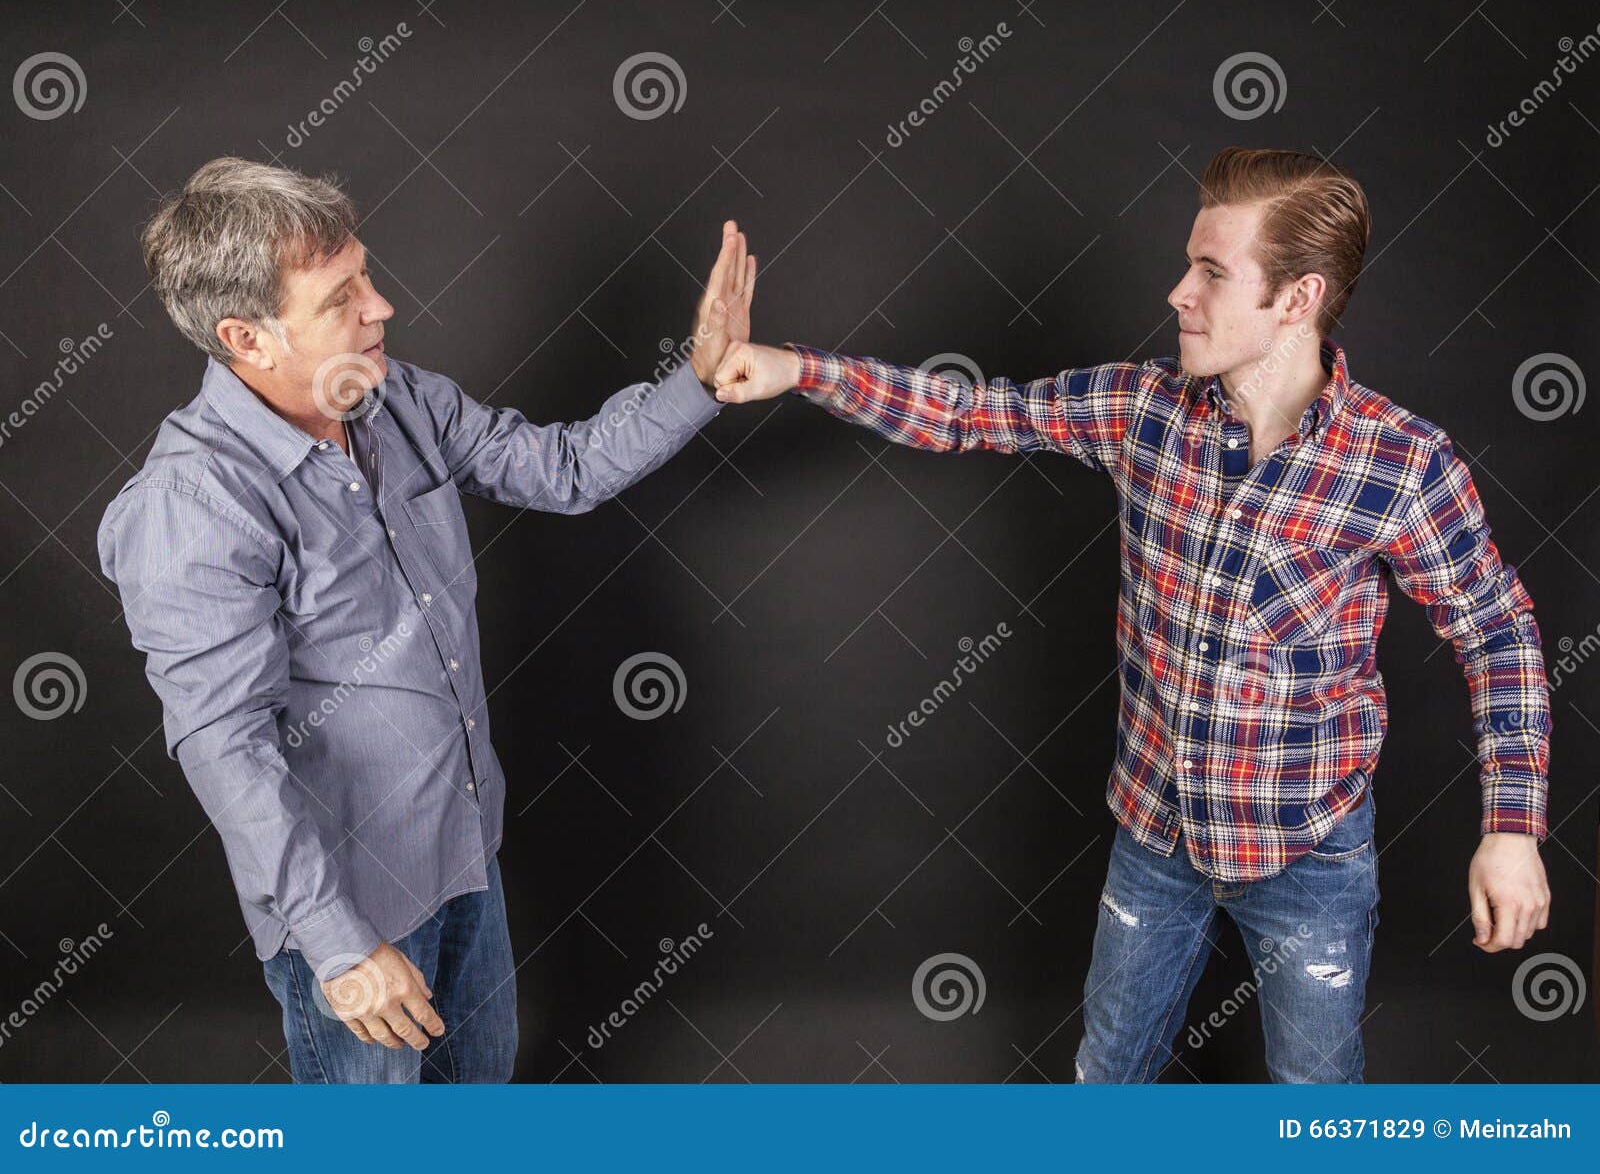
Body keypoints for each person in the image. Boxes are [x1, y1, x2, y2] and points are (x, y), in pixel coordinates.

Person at [711, 146, 1552, 1083]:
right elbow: (970, 411)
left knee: (1314, 1103)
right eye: (1189, 264)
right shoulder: (1141, 407)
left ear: (1298, 298)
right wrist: (792, 367)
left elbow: (1497, 631)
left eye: (1212, 272)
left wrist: (1511, 828)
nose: (1177, 293)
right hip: (1155, 835)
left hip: (1308, 852)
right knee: (1107, 1078)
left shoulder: (1402, 464)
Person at [97, 157, 755, 1082]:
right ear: (247, 338)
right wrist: (340, 946)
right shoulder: (191, 504)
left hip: (463, 855)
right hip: (353, 910)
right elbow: (227, 749)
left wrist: (699, 379)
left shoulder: (392, 397)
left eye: (364, 276)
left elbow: (564, 469)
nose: (382, 307)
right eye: (341, 298)